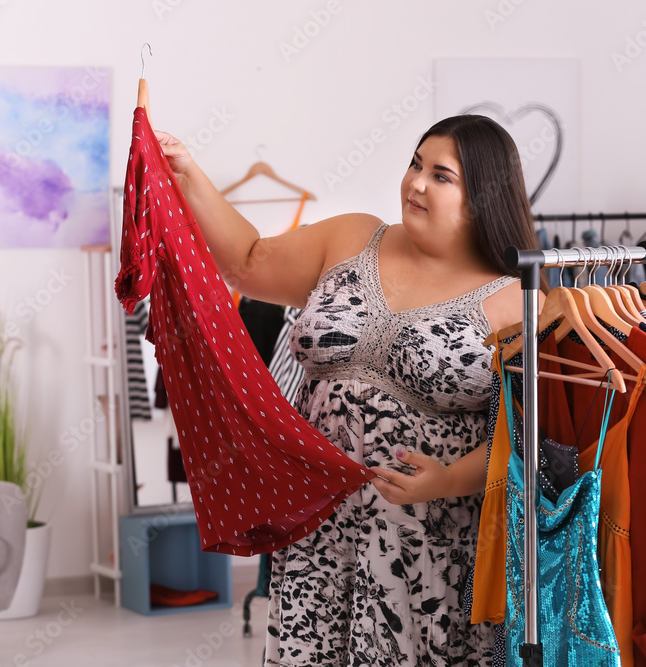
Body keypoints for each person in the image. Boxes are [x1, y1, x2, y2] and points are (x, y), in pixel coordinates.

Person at [155, 114, 543, 666]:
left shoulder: (517, 302)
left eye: (441, 175)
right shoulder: (353, 237)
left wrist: (446, 481)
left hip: (429, 544)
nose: (415, 182)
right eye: (415, 164)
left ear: (482, 197)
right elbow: (245, 264)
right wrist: (187, 171)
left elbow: (532, 440)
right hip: (318, 529)